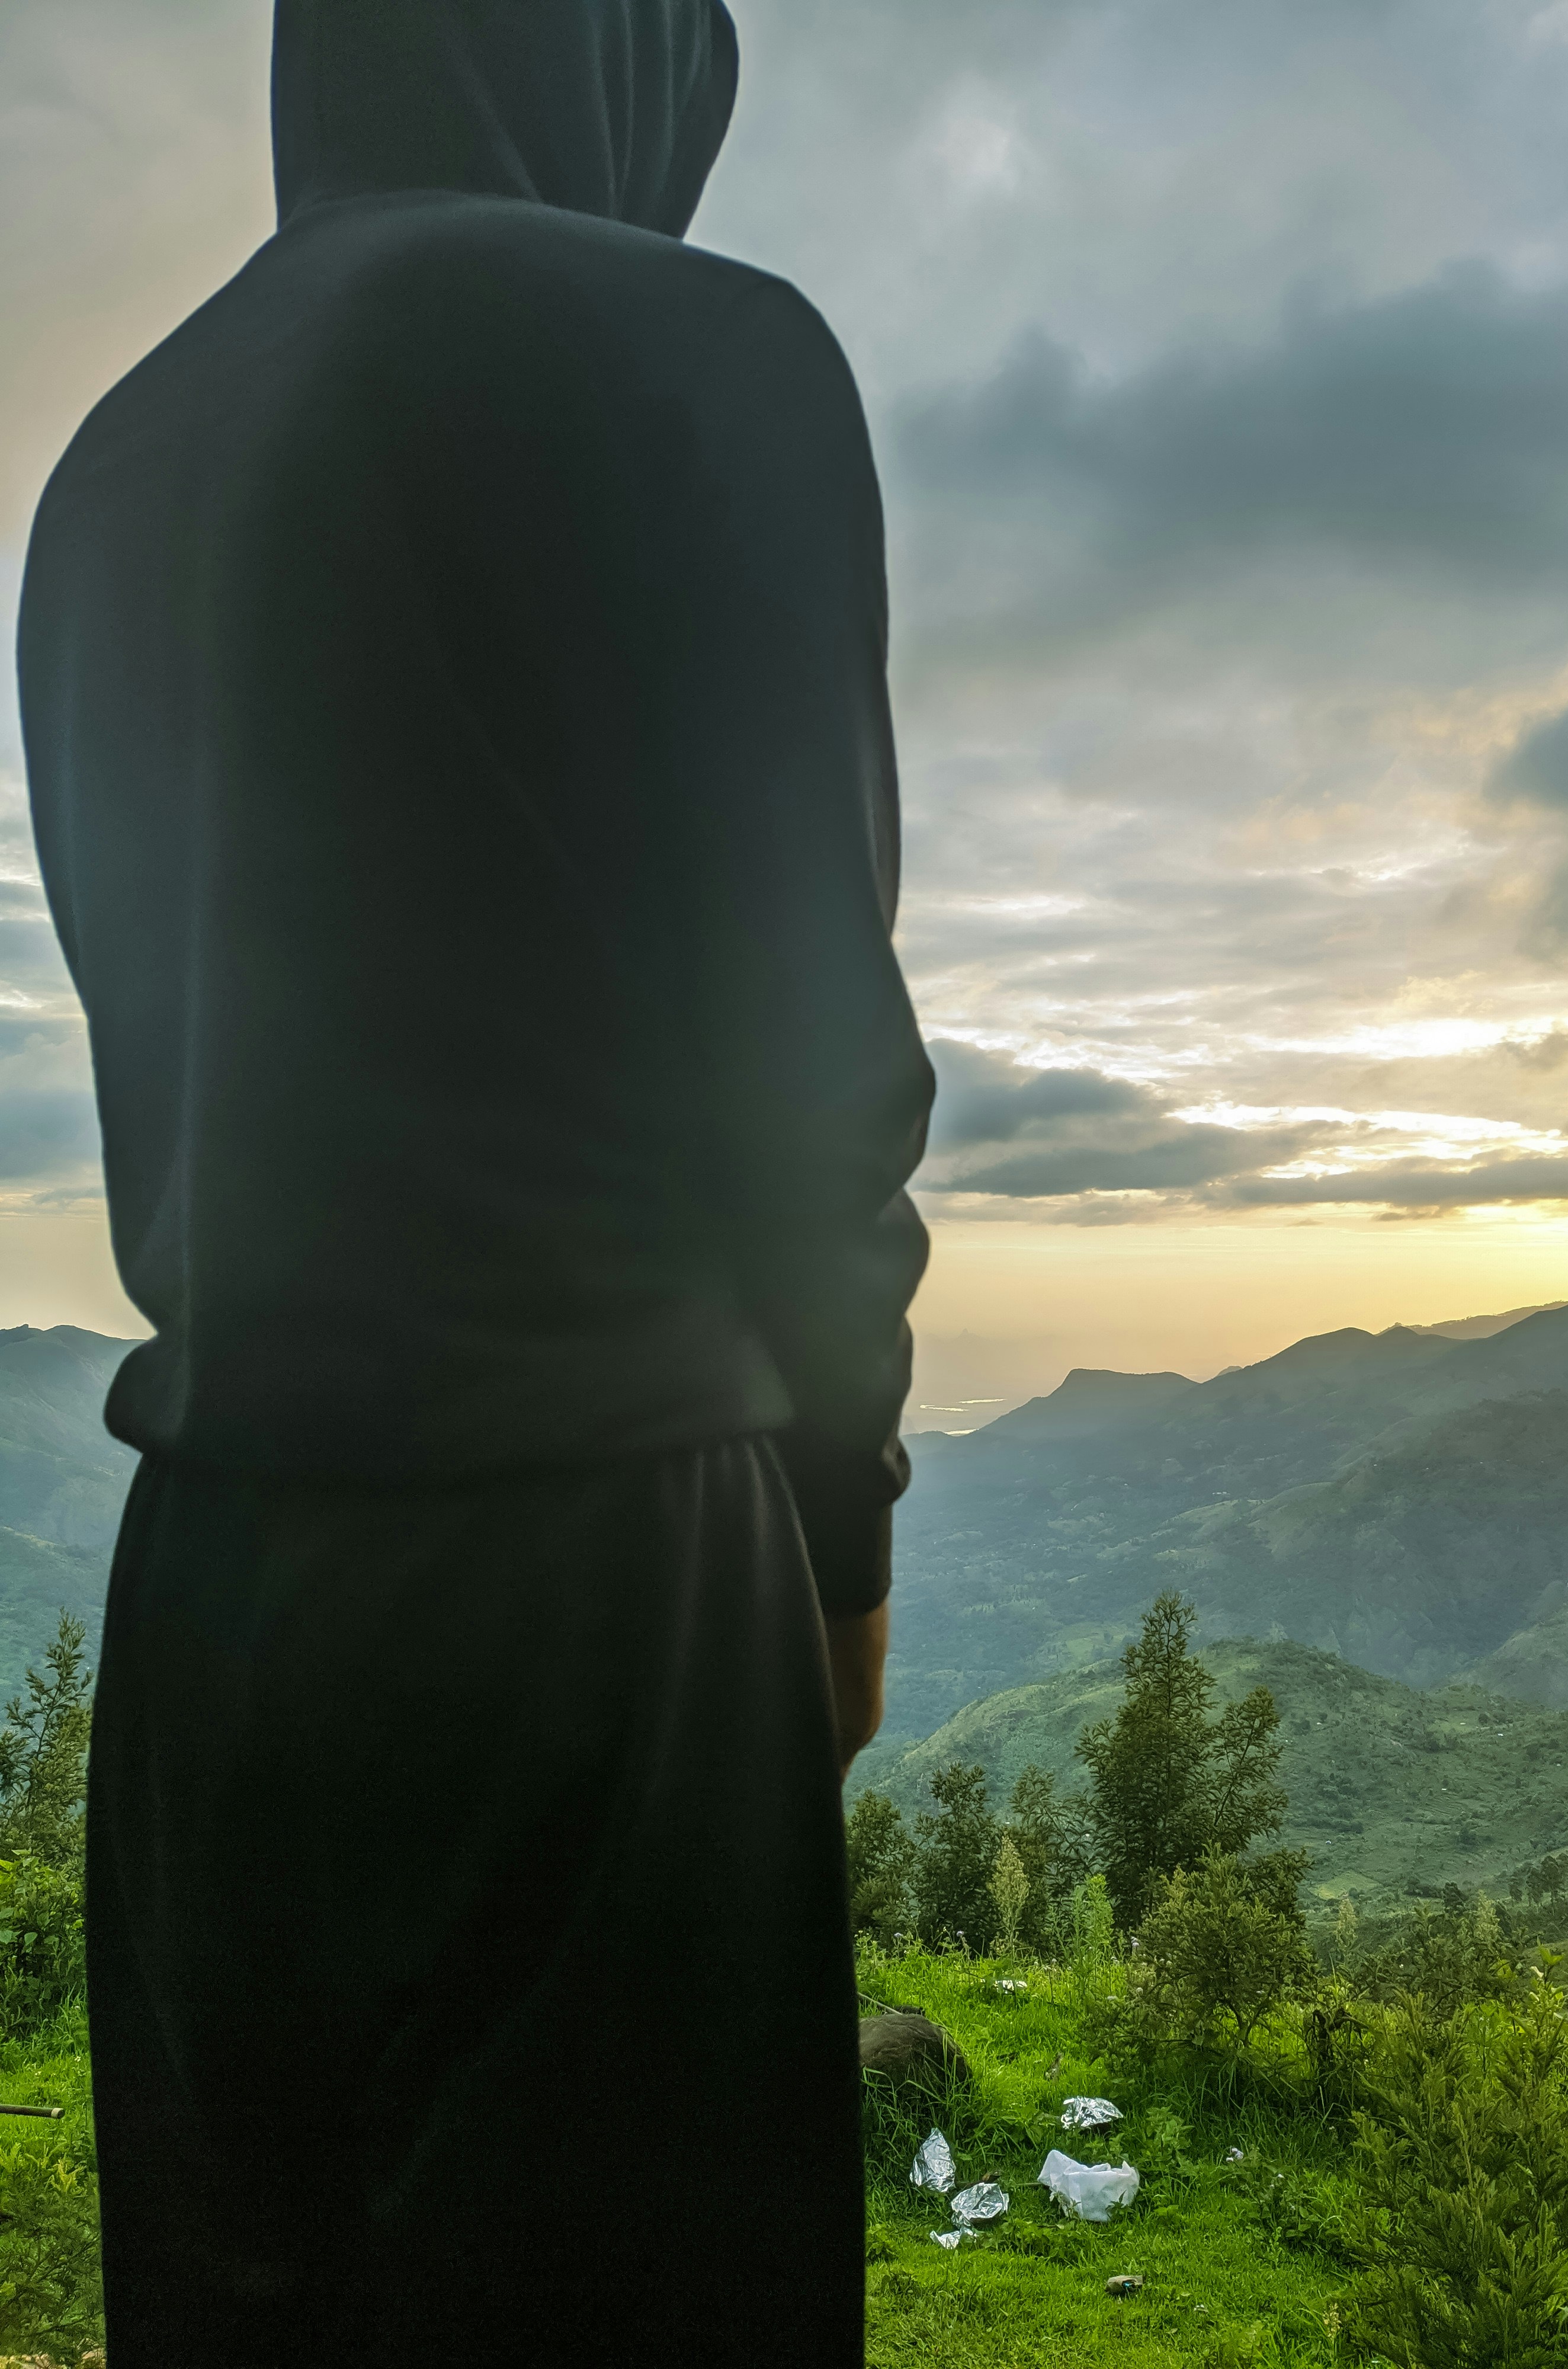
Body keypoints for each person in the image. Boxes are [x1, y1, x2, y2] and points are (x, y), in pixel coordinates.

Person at [17, 2, 933, 2361]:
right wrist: (838, 1546)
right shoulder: (699, 347)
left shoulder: (108, 464)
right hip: (597, 1576)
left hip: (211, 1595)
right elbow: (808, 1055)